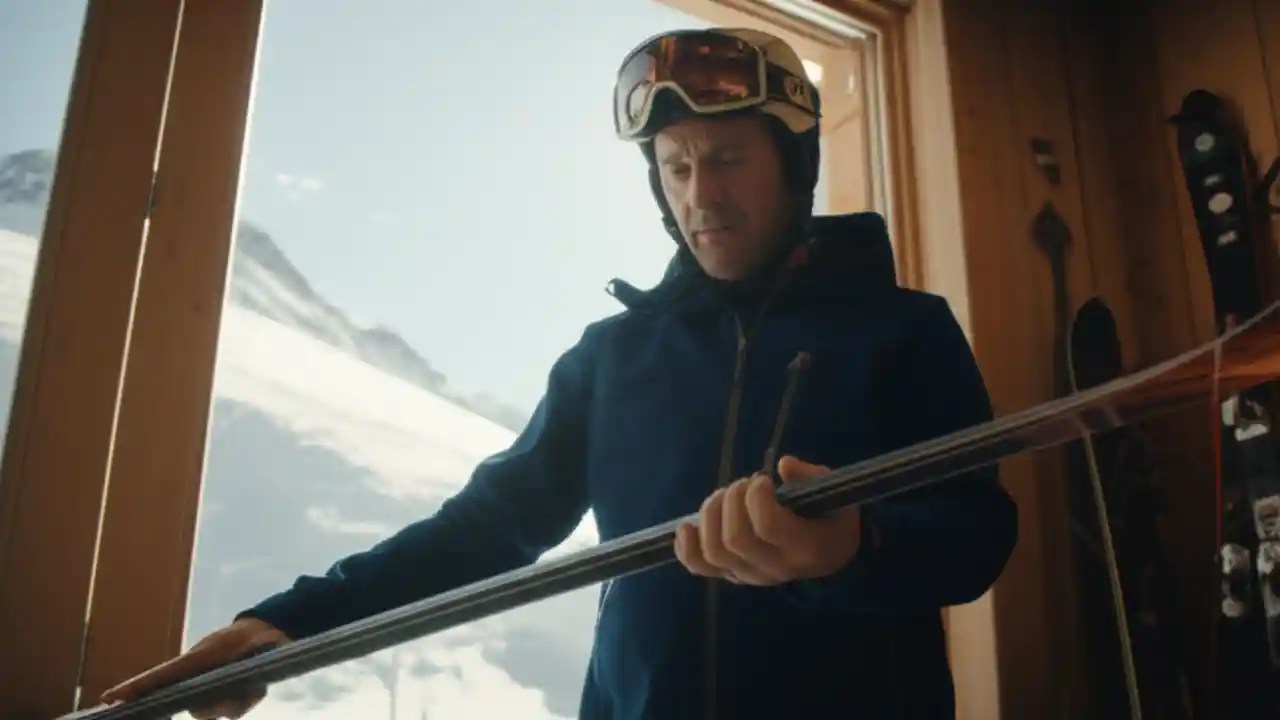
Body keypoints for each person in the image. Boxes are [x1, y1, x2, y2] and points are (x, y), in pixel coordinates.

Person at [100, 27, 1018, 719]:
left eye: (729, 158)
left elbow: (977, 534)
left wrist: (851, 546)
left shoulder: (902, 330)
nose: (702, 194)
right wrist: (291, 624)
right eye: (677, 167)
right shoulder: (613, 356)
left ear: (794, 164)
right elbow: (491, 526)